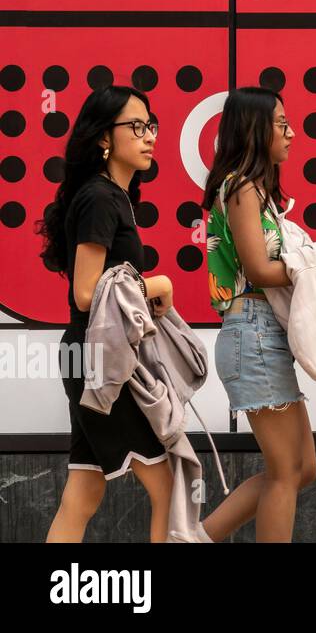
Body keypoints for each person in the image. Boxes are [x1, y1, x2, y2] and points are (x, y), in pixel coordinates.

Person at [38, 84, 177, 542]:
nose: (149, 135)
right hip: (99, 360)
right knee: (167, 484)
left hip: (91, 357)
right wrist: (158, 284)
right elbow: (85, 293)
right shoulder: (100, 198)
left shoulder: (112, 196)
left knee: (84, 491)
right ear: (104, 138)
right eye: (135, 126)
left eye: (150, 125)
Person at [197, 86, 316, 542]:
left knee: (302, 468)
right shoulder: (242, 186)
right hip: (253, 332)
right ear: (255, 129)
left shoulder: (256, 191)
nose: (290, 132)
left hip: (262, 335)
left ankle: (196, 538)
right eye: (281, 123)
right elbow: (258, 269)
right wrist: (314, 267)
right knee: (286, 472)